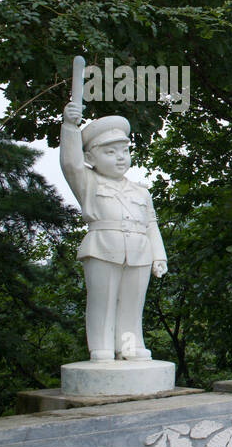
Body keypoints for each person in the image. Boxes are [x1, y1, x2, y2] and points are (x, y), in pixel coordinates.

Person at [59, 102, 167, 362]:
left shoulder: (141, 191)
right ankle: (102, 347)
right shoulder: (88, 182)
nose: (120, 157)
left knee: (132, 303)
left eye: (124, 151)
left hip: (139, 251)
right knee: (103, 301)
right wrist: (70, 127)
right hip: (103, 247)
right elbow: (70, 164)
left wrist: (159, 256)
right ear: (91, 158)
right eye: (110, 152)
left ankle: (129, 347)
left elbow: (150, 224)